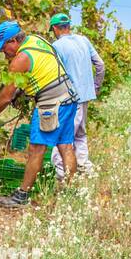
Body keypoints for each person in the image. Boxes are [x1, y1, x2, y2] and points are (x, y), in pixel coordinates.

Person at [0, 20, 79, 208]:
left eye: (3, 48)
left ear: (12, 41)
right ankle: (70, 192)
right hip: (68, 97)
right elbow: (42, 70)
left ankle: (22, 196)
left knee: (36, 149)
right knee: (65, 146)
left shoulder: (21, 59)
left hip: (51, 104)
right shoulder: (36, 40)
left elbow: (5, 97)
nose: (3, 53)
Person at [49, 12, 105, 178]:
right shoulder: (83, 40)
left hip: (69, 99)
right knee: (80, 134)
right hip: (86, 95)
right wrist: (95, 86)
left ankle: (61, 174)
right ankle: (84, 168)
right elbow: (100, 65)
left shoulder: (57, 46)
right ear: (69, 26)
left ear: (54, 28)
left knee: (62, 137)